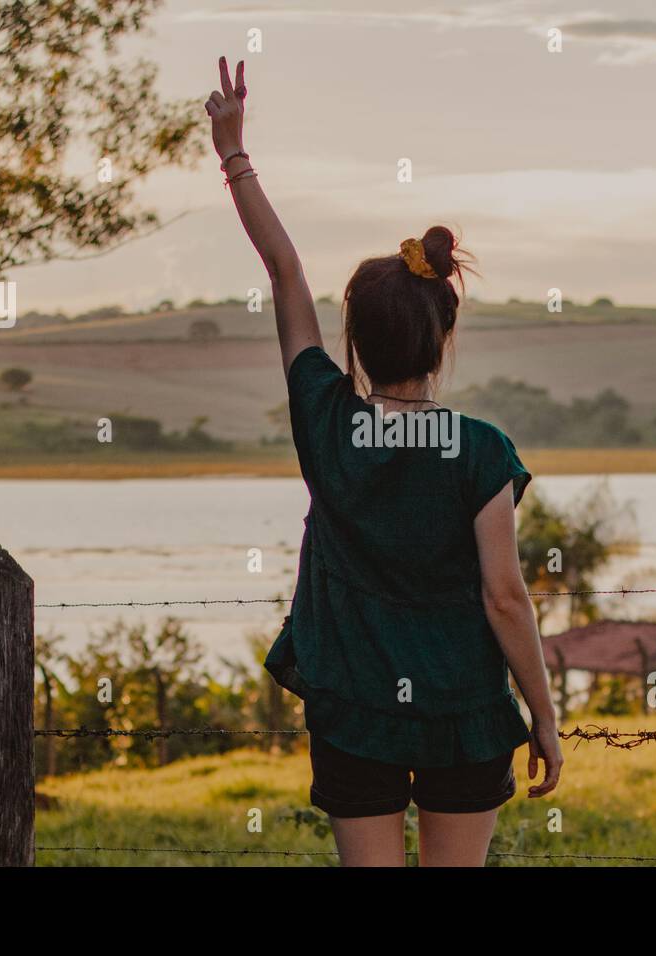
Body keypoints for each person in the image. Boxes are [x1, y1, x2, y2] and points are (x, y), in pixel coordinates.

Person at [206, 57, 562, 867]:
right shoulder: (482, 450)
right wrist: (542, 715)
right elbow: (505, 599)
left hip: (353, 713)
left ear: (356, 341)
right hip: (464, 716)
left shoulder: (324, 420)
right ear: (443, 335)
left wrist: (234, 153)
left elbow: (284, 270)